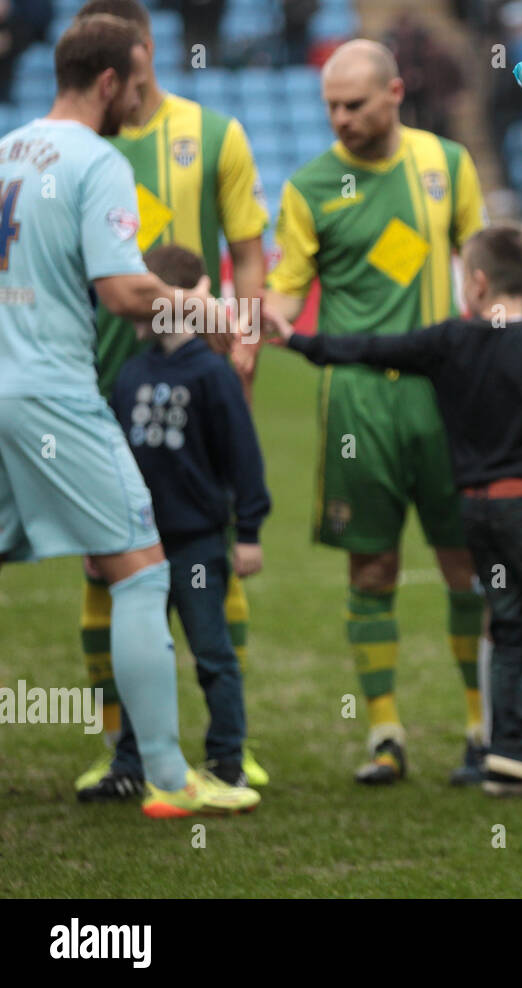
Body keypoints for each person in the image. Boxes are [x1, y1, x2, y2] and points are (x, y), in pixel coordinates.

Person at [0, 13, 261, 816]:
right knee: (143, 572)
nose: (140, 98)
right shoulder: (98, 158)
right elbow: (121, 292)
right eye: (136, 83)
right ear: (111, 80)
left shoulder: (6, 148)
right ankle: (171, 781)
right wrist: (204, 309)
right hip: (50, 390)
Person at [264, 40, 490, 786]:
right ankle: (385, 734)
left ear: (395, 93)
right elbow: (286, 292)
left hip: (445, 394)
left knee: (466, 565)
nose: (338, 119)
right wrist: (255, 322)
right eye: (329, 105)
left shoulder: (448, 166)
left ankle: (479, 727)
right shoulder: (309, 188)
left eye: (353, 104)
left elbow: (480, 270)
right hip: (357, 402)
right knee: (373, 567)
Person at [278, 225, 522, 797]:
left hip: (474, 512)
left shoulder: (448, 341)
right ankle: (516, 741)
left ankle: (505, 754)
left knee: (509, 626)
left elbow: (367, 349)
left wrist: (296, 340)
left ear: (477, 282)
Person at [70, 0, 270, 800]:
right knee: (103, 573)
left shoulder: (214, 134)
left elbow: (249, 253)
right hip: (102, 375)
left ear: (143, 51)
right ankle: (122, 749)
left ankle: (232, 749)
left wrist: (244, 334)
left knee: (211, 574)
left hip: (197, 370)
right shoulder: (81, 145)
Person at [87, 244, 270, 798]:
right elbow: (112, 465)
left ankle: (226, 762)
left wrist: (250, 533)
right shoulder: (131, 374)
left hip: (196, 544)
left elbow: (244, 459)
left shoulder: (213, 374)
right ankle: (129, 763)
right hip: (136, 543)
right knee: (139, 656)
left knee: (211, 654)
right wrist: (101, 538)